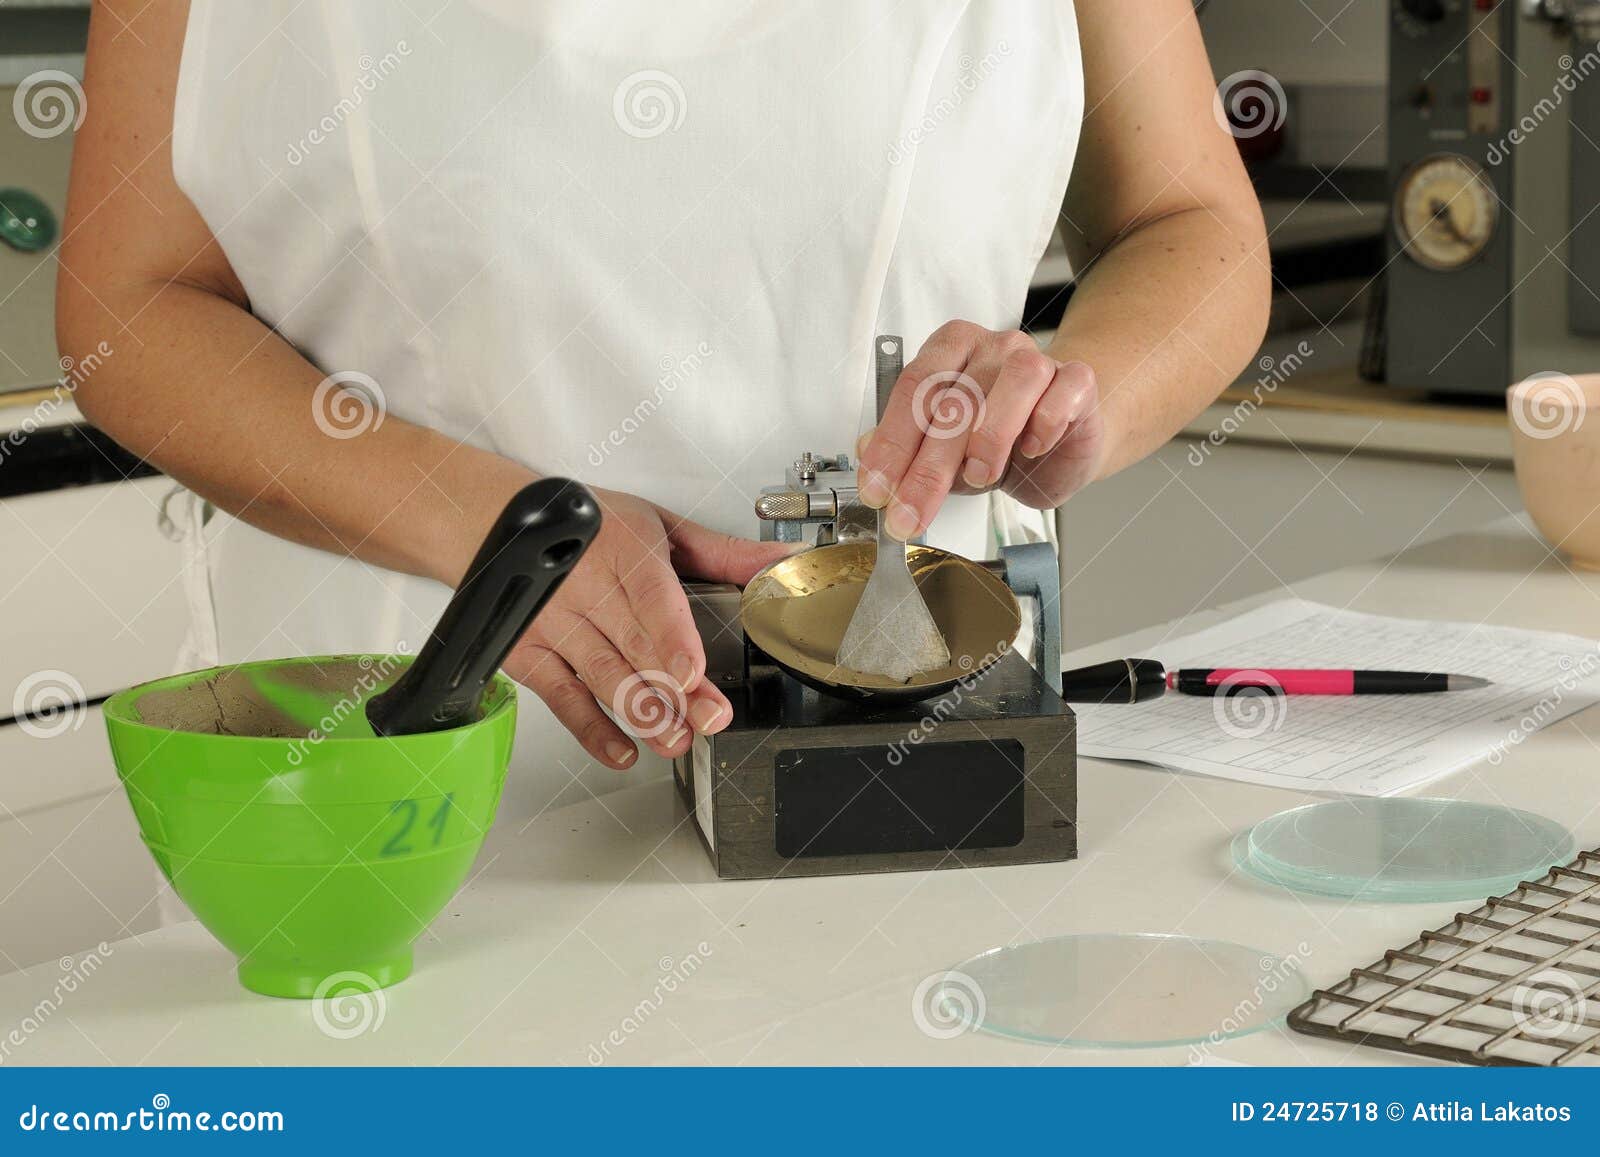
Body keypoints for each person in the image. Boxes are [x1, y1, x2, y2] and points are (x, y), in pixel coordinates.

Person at [59, 0, 1269, 819]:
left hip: (912, 750)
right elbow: (132, 305)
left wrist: (1076, 392)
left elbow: (1190, 226)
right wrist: (492, 533)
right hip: (411, 768)